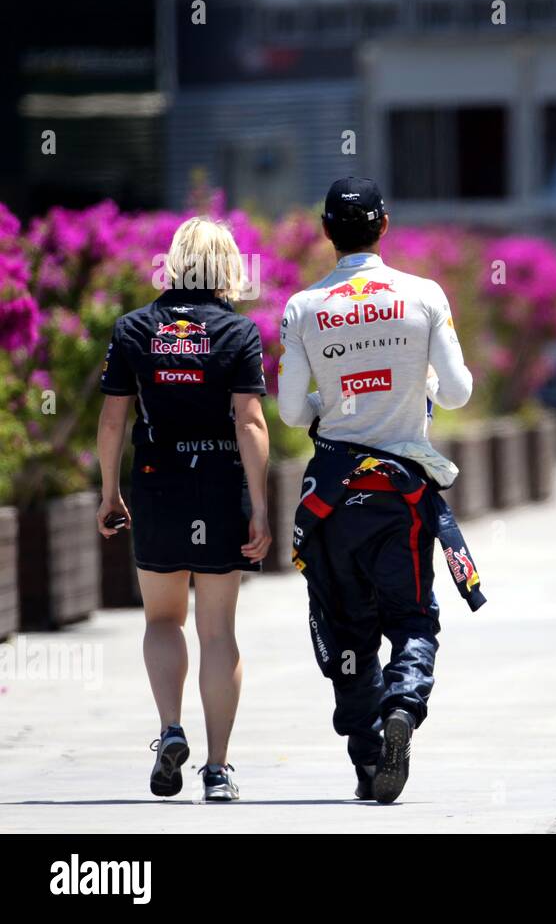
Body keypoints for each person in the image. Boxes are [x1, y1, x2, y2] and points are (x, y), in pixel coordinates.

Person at [278, 177, 485, 804]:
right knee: (413, 617)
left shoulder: (303, 307)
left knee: (347, 631)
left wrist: (335, 400)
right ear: (385, 226)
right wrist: (414, 379)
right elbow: (457, 394)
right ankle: (404, 701)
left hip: (335, 500)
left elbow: (291, 411)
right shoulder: (423, 296)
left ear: (325, 231)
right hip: (401, 500)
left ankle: (369, 763)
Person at [97, 216, 272, 803]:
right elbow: (249, 422)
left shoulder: (133, 329)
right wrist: (263, 508)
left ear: (173, 264)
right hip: (220, 487)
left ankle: (171, 729)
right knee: (218, 630)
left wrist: (108, 492)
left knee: (161, 620)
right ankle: (218, 771)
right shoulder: (239, 333)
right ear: (226, 268)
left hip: (157, 486)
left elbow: (113, 418)